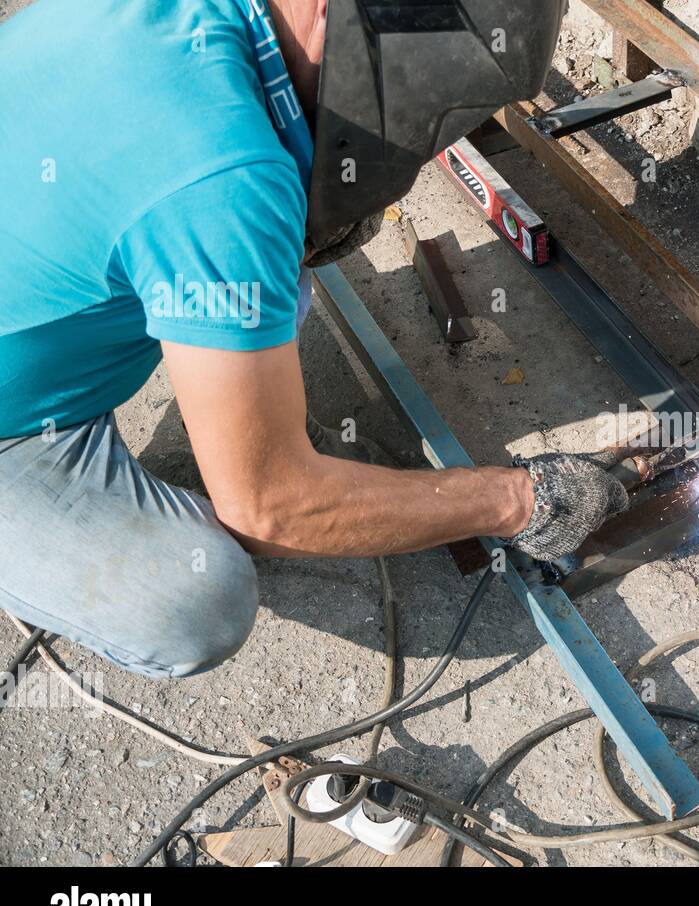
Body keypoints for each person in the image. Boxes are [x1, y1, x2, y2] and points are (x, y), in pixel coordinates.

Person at [0, 0, 628, 679]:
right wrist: (520, 502)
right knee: (194, 600)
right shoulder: (225, 176)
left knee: (278, 232)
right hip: (19, 426)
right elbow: (268, 505)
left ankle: (234, 428)